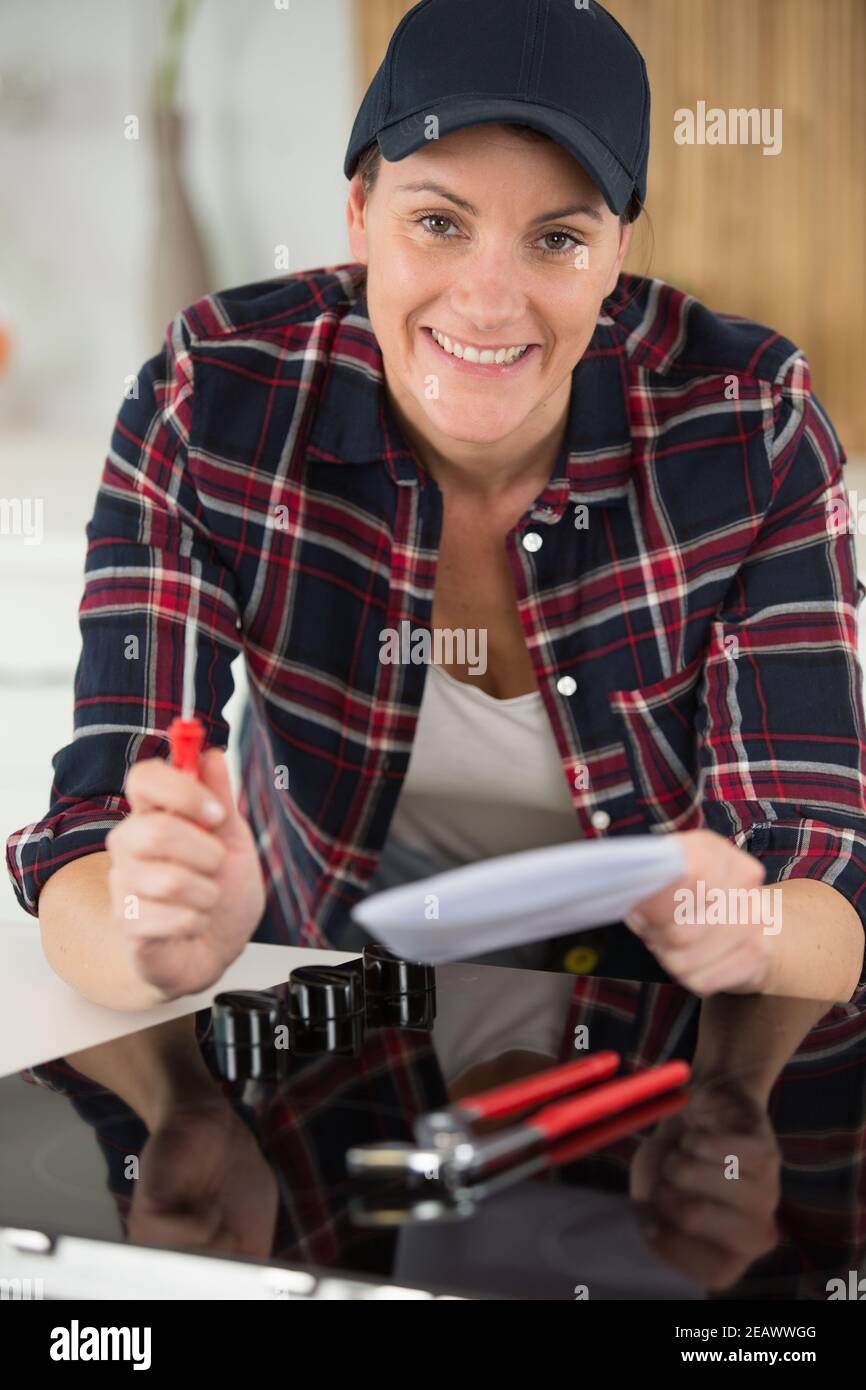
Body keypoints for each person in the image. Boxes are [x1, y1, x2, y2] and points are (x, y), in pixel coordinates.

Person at [7, 0, 866, 1011]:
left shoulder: (748, 422)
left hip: (648, 1021)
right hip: (327, 999)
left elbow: (822, 891)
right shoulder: (211, 401)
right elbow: (97, 833)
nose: (489, 300)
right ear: (358, 215)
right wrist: (168, 936)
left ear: (616, 251)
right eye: (437, 221)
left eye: (555, 238)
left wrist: (751, 929)